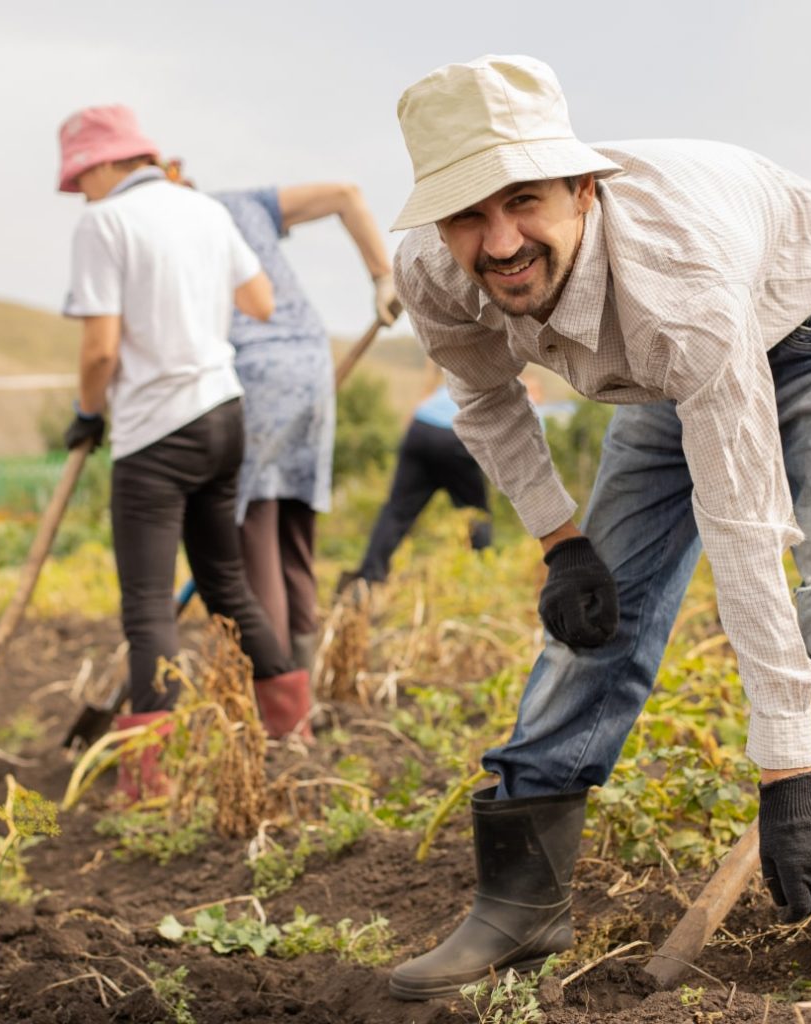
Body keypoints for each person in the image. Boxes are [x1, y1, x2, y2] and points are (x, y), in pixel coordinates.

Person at [385, 55, 811, 1008]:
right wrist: (562, 544)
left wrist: (786, 771)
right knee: (598, 610)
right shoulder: (433, 269)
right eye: (469, 214)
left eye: (524, 202)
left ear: (584, 187)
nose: (499, 242)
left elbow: (744, 525)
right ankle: (520, 906)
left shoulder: (677, 283)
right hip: (663, 366)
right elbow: (488, 403)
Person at [57, 105, 311, 797]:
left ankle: (149, 780)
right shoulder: (203, 211)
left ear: (109, 163)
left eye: (81, 176)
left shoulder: (104, 224)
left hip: (155, 432)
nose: (81, 191)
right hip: (223, 415)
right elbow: (258, 300)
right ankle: (293, 727)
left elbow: (101, 348)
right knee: (225, 584)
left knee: (145, 604)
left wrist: (86, 414)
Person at [211, 184, 397, 677]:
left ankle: (276, 700)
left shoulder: (178, 220)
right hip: (309, 364)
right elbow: (346, 193)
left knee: (254, 531)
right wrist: (383, 277)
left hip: (251, 371)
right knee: (293, 529)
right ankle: (301, 694)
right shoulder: (244, 203)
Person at [337, 378, 493, 592]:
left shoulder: (458, 374)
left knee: (397, 511)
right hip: (457, 435)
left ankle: (369, 577)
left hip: (421, 428)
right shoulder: (507, 383)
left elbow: (419, 408)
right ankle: (481, 579)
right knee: (475, 513)